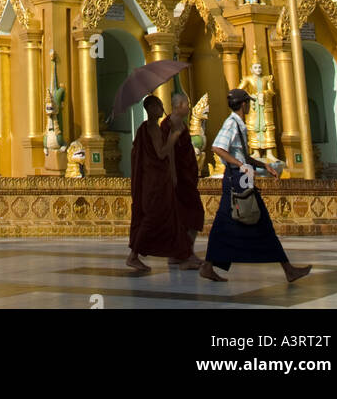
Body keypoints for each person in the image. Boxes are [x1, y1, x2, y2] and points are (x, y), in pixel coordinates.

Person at [199, 88, 312, 284]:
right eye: (248, 103)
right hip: (237, 178)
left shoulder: (239, 124)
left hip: (241, 176)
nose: (250, 106)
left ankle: (209, 266)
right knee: (253, 220)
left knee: (233, 222)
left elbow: (241, 155)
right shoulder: (232, 123)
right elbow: (217, 147)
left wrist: (263, 165)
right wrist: (240, 165)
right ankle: (288, 270)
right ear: (243, 104)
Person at [127, 94, 198, 273]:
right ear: (151, 109)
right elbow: (161, 153)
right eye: (158, 105)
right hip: (156, 182)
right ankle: (133, 255)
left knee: (169, 219)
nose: (161, 108)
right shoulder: (152, 128)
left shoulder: (146, 127)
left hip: (153, 180)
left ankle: (182, 254)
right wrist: (174, 136)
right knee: (152, 219)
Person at [167, 91, 205, 264]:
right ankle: (186, 253)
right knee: (194, 215)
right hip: (180, 180)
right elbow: (169, 152)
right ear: (180, 105)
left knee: (183, 218)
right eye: (187, 105)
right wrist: (174, 175)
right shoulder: (172, 124)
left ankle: (177, 253)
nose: (189, 108)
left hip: (186, 178)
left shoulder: (180, 123)